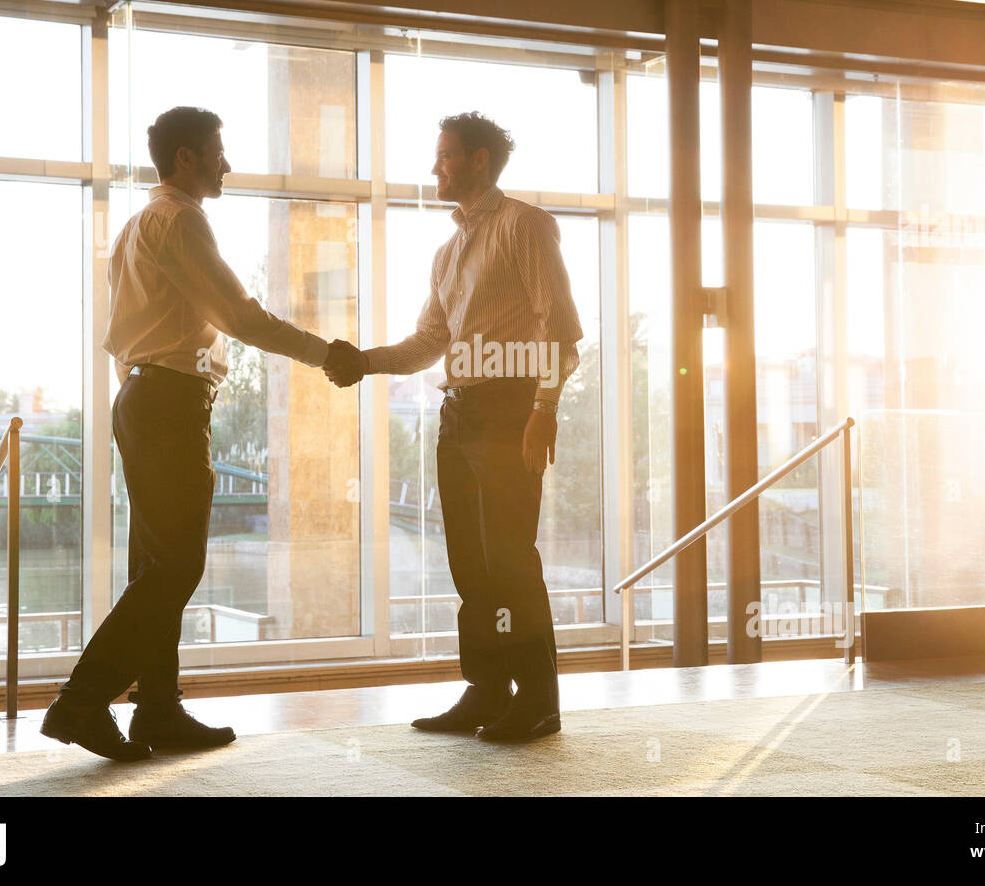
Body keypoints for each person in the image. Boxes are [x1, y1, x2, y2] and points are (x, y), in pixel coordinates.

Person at [41, 106, 353, 761]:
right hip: (170, 401)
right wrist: (326, 352)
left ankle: (156, 707)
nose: (226, 163)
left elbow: (122, 329)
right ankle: (82, 699)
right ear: (186, 157)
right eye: (217, 151)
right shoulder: (181, 219)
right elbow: (239, 315)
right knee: (177, 565)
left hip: (142, 393)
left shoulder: (134, 225)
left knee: (158, 565)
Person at [326, 112, 582, 743]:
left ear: (479, 160)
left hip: (510, 407)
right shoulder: (448, 252)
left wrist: (543, 411)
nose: (435, 167)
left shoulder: (524, 226)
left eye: (445, 156)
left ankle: (540, 701)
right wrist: (364, 362)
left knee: (511, 562)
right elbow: (428, 342)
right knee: (470, 565)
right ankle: (490, 689)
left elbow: (562, 329)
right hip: (459, 414)